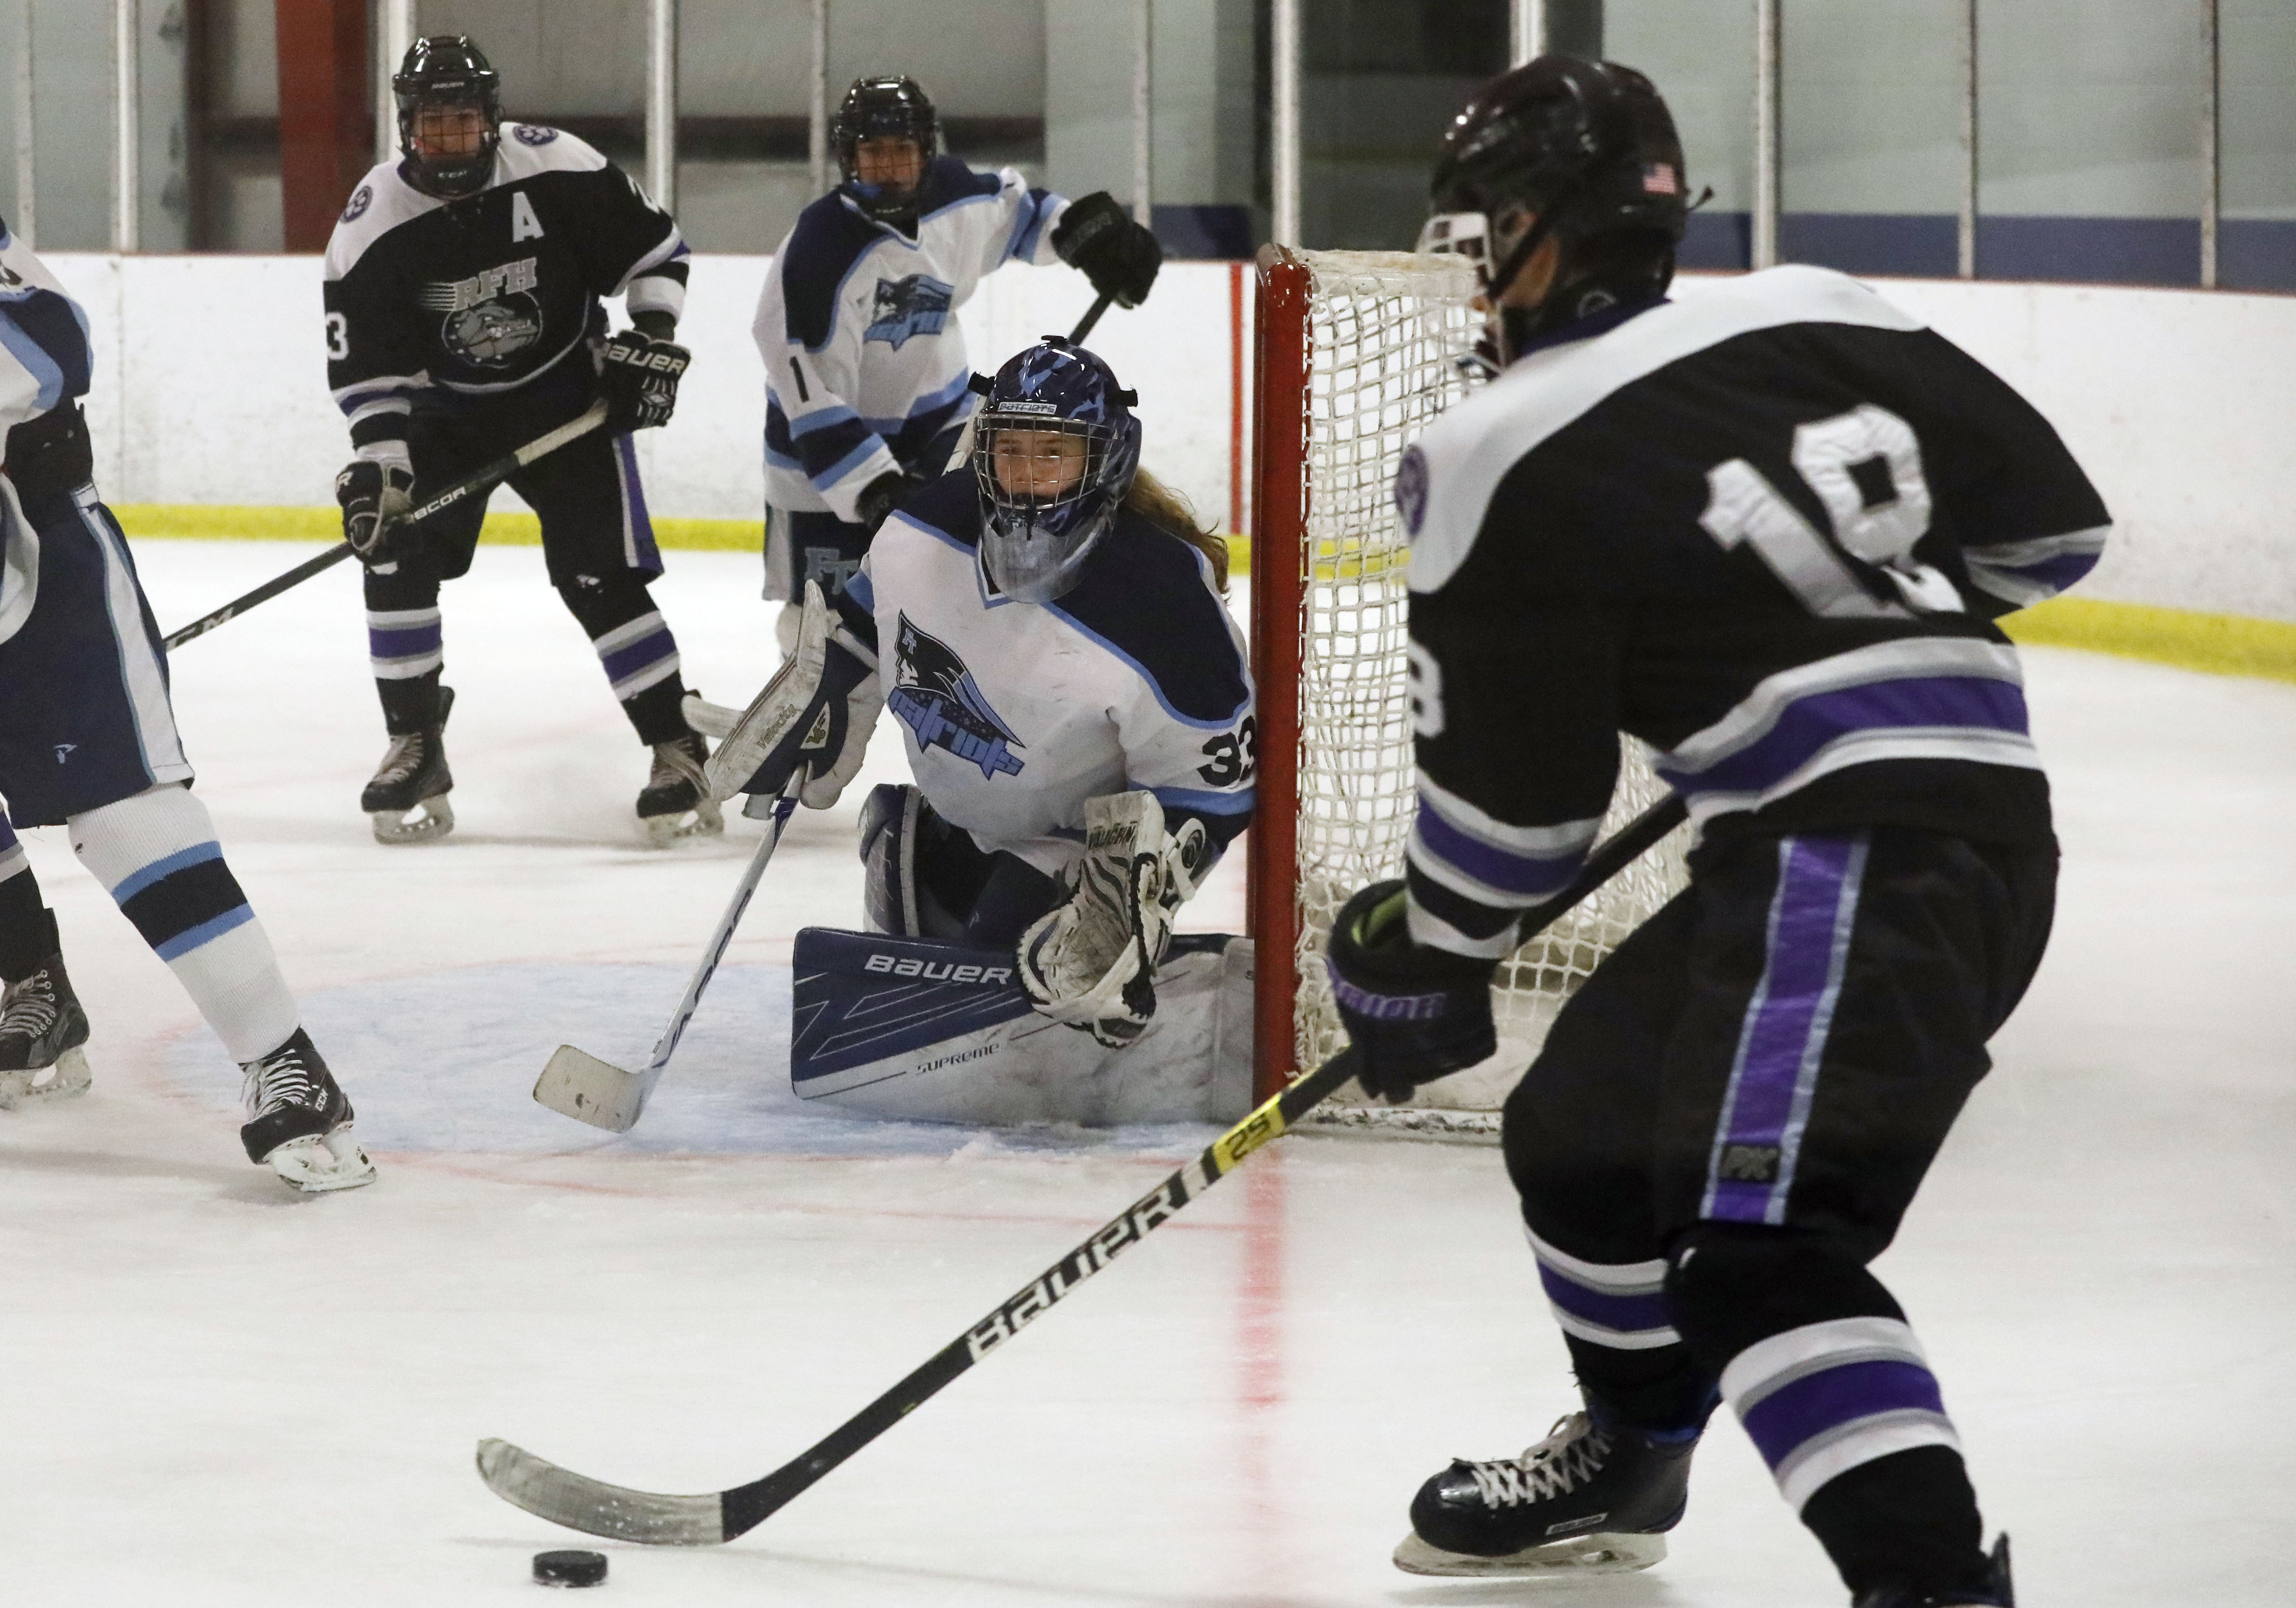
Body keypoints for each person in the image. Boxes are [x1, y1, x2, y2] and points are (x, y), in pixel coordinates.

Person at [1320, 57, 2110, 1608]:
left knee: (1759, 1255)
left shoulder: (1497, 443)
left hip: (1855, 858)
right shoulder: (1827, 307)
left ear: (1539, 231)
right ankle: (1630, 1450)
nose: (1469, 266)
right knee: (1583, 1137)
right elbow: (2051, 539)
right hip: (1933, 831)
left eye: (1479, 228)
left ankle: (1930, 1588)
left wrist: (1423, 949)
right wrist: (1791, 652)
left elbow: (1512, 834)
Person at [707, 339, 1253, 1046]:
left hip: (1074, 851)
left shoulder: (1163, 597)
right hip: (958, 821)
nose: (1025, 478)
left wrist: (1134, 893)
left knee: (1004, 964)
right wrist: (823, 702)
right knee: (901, 874)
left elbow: (1216, 785)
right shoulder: (917, 532)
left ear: (1107, 460)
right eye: (1011, 450)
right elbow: (853, 639)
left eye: (1053, 454)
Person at [0, 222, 376, 1192]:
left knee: (124, 810)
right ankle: (31, 979)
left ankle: (284, 1060)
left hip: (32, 558)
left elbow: (53, 340)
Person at [324, 35, 713, 847]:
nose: (449, 143)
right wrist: (384, 475)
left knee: (597, 577)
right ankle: (416, 742)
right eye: (433, 128)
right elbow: (371, 382)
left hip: (568, 400)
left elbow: (657, 251)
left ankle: (676, 747)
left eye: (463, 124)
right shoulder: (372, 225)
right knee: (396, 554)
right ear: (407, 130)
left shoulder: (558, 165)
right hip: (446, 416)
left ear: (493, 120)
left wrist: (650, 334)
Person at [753, 74, 1164, 655]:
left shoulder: (955, 195)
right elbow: (812, 399)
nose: (890, 167)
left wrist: (1084, 236)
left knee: (967, 589)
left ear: (926, 150)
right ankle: (814, 726)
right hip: (818, 459)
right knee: (824, 626)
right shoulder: (818, 253)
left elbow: (1022, 215)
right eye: (874, 153)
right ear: (849, 160)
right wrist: (873, 491)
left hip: (939, 426)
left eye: (903, 151)